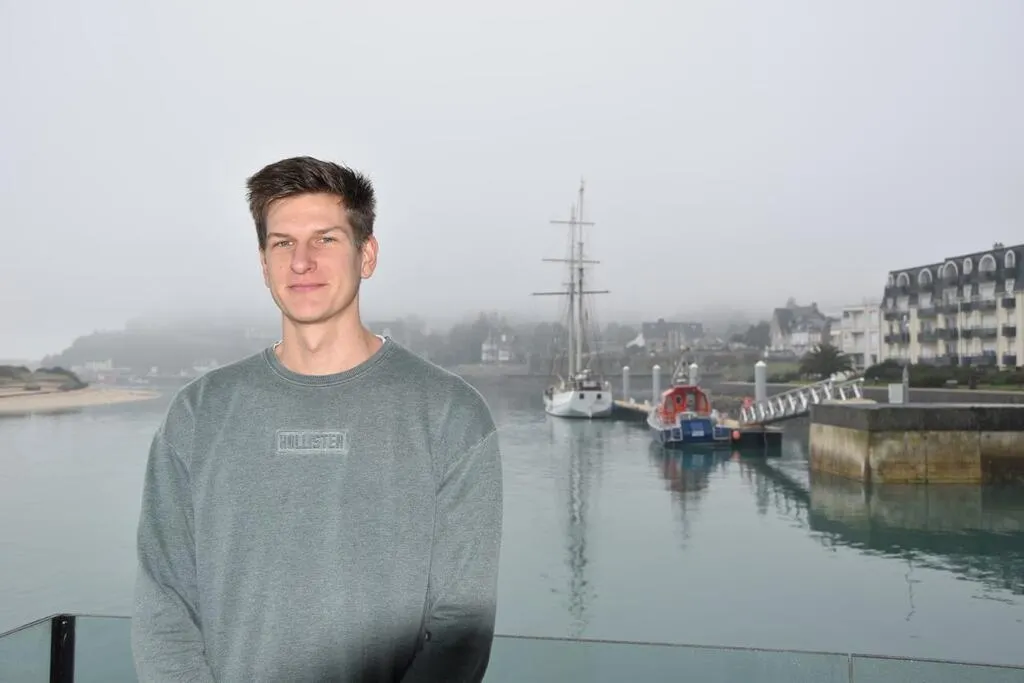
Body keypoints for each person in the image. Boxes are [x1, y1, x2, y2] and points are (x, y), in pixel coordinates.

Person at [131, 156, 503, 682]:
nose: (301, 261)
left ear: (366, 254)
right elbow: (163, 601)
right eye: (282, 242)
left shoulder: (451, 415)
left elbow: (460, 626)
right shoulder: (198, 413)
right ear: (263, 262)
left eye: (325, 239)